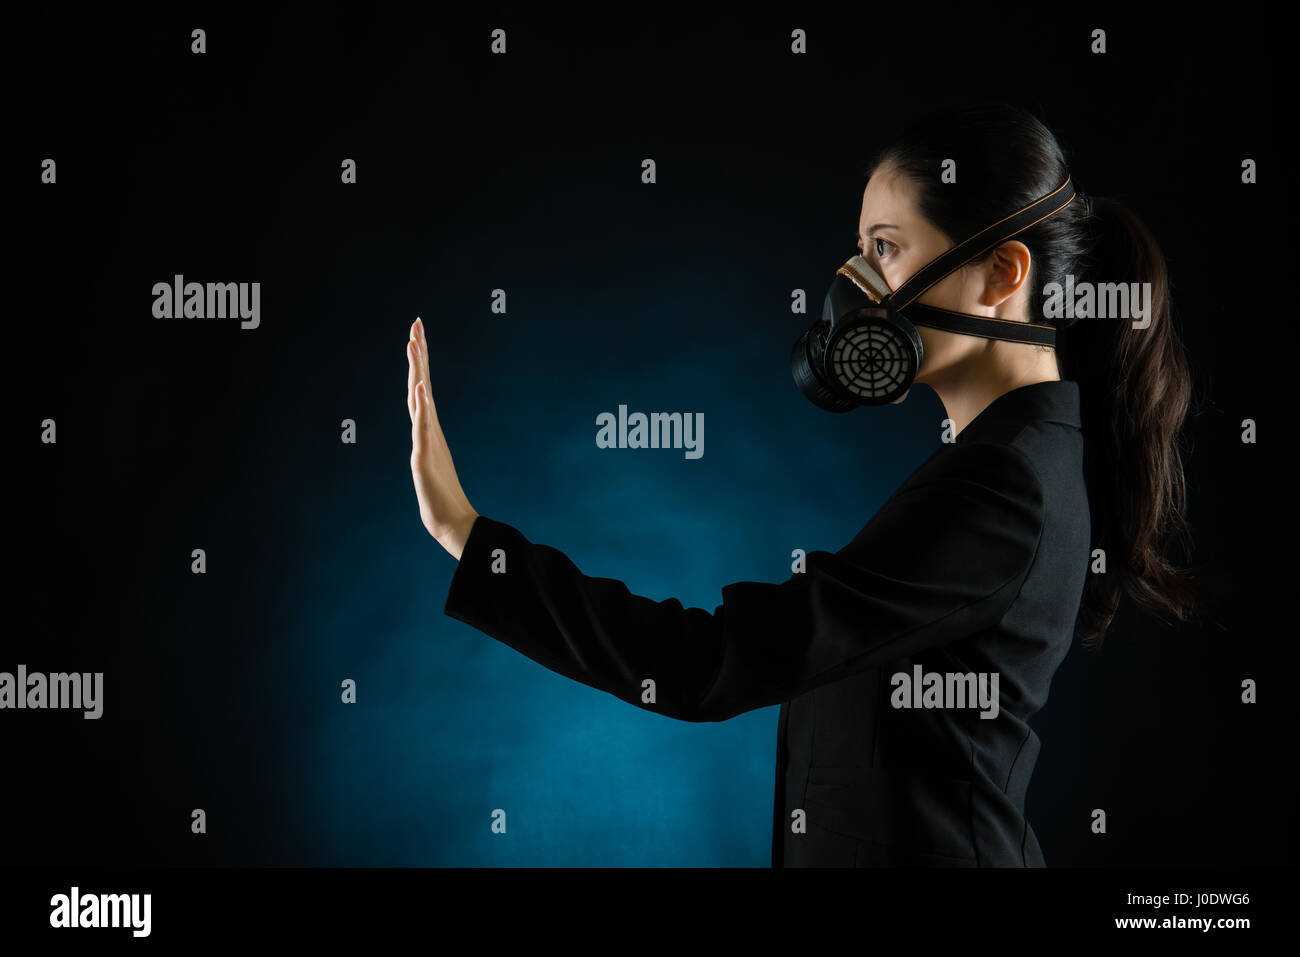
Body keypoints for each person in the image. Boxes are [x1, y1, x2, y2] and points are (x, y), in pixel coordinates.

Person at [403, 102, 1201, 866]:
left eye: (886, 247)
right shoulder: (1008, 462)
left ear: (1001, 272)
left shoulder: (1005, 485)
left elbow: (710, 660)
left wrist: (472, 540)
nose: (857, 285)